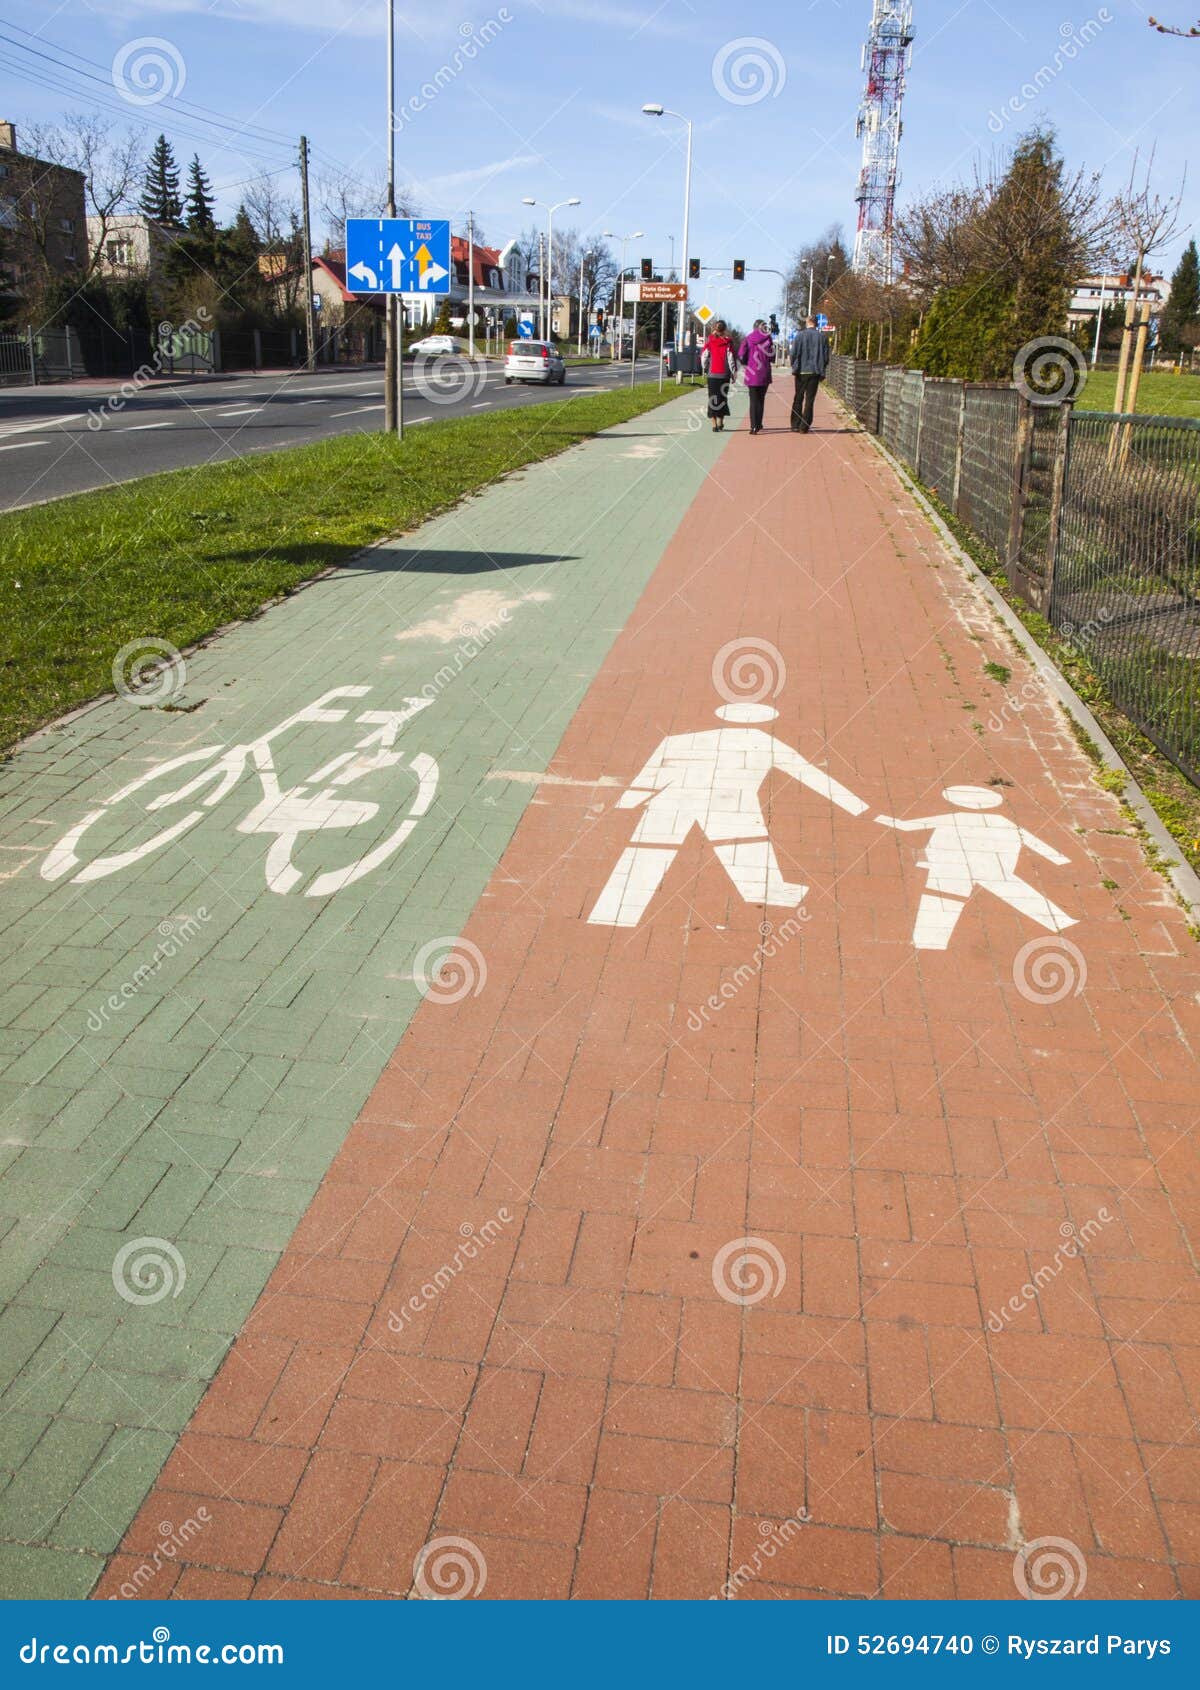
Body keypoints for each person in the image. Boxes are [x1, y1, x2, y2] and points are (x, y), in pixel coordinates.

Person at [790, 314, 829, 433]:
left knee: (798, 398)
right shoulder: (822, 337)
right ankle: (804, 426)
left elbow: (793, 353)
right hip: (815, 371)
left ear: (807, 322)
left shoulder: (800, 335)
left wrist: (794, 365)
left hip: (801, 372)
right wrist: (822, 368)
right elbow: (826, 356)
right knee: (810, 399)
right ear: (816, 323)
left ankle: (795, 424)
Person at [738, 318, 774, 434]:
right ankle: (759, 423)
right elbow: (771, 356)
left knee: (753, 400)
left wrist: (746, 363)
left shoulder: (748, 338)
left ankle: (753, 426)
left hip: (752, 373)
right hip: (764, 372)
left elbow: (741, 355)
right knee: (761, 399)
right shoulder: (768, 339)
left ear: (754, 327)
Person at [702, 320, 737, 431]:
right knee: (722, 398)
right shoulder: (728, 342)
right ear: (725, 329)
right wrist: (733, 372)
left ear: (715, 329)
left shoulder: (710, 341)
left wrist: (705, 368)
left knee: (712, 398)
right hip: (724, 374)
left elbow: (704, 356)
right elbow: (731, 358)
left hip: (712, 374)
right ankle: (720, 421)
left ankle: (714, 424)